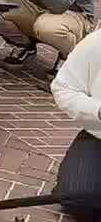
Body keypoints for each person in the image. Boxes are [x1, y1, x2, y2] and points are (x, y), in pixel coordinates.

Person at [50, 29, 101, 222]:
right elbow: (64, 88)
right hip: (98, 136)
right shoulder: (97, 42)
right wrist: (97, 110)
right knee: (78, 197)